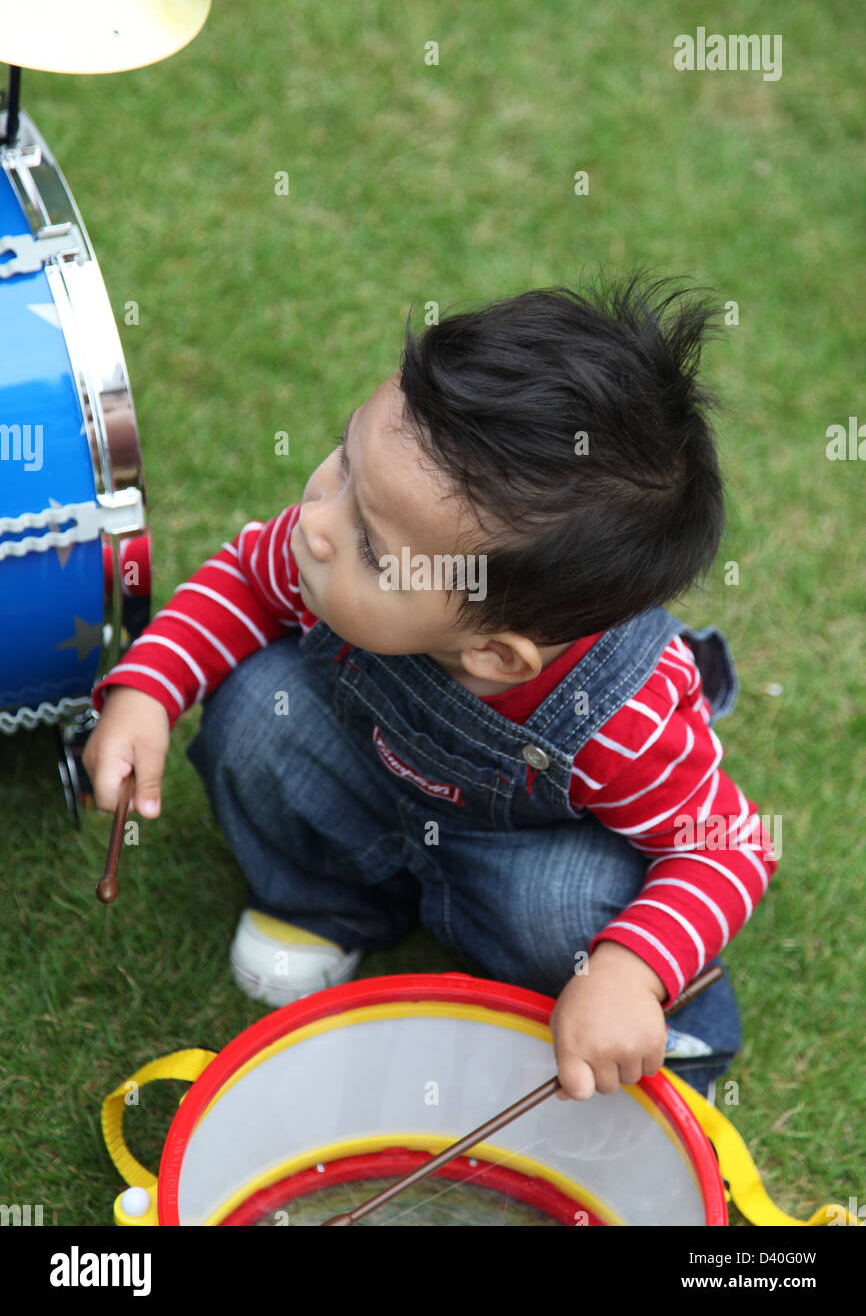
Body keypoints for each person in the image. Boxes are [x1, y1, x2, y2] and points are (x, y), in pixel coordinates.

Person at [83, 270, 777, 1106]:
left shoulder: (625, 717)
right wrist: (147, 693)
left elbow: (727, 846)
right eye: (344, 459)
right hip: (376, 783)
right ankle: (329, 903)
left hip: (517, 852)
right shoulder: (320, 550)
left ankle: (626, 1023)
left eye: (372, 548)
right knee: (255, 717)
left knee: (573, 906)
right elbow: (241, 581)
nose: (314, 520)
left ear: (497, 655)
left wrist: (630, 971)